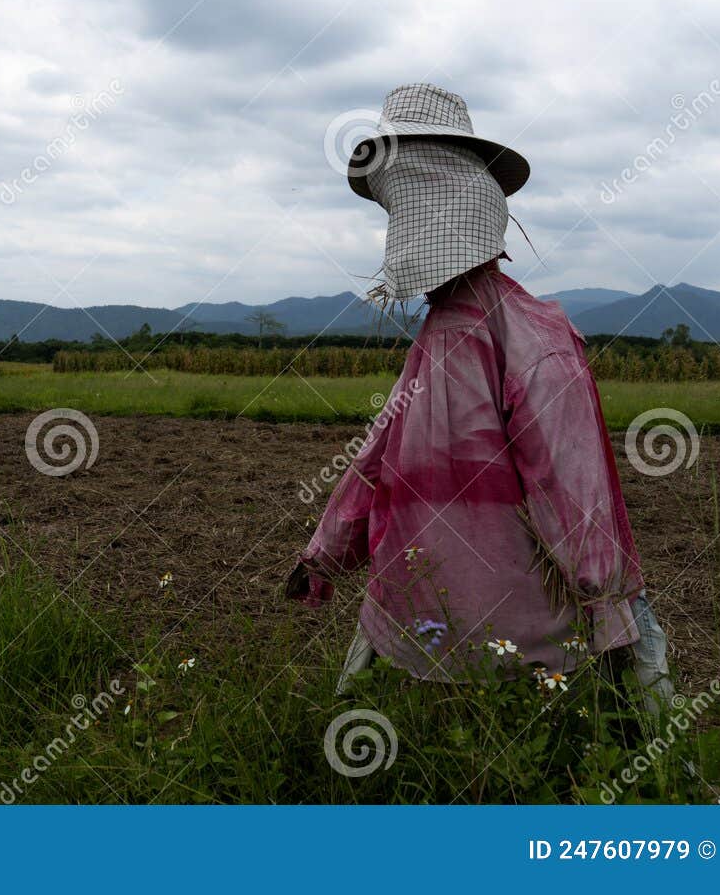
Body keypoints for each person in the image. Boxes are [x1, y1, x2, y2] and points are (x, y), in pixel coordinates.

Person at [287, 83, 672, 708]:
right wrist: (324, 555)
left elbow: (569, 489)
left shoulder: (521, 339)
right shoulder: (475, 334)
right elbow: (382, 459)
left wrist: (603, 596)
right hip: (468, 629)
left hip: (451, 629)